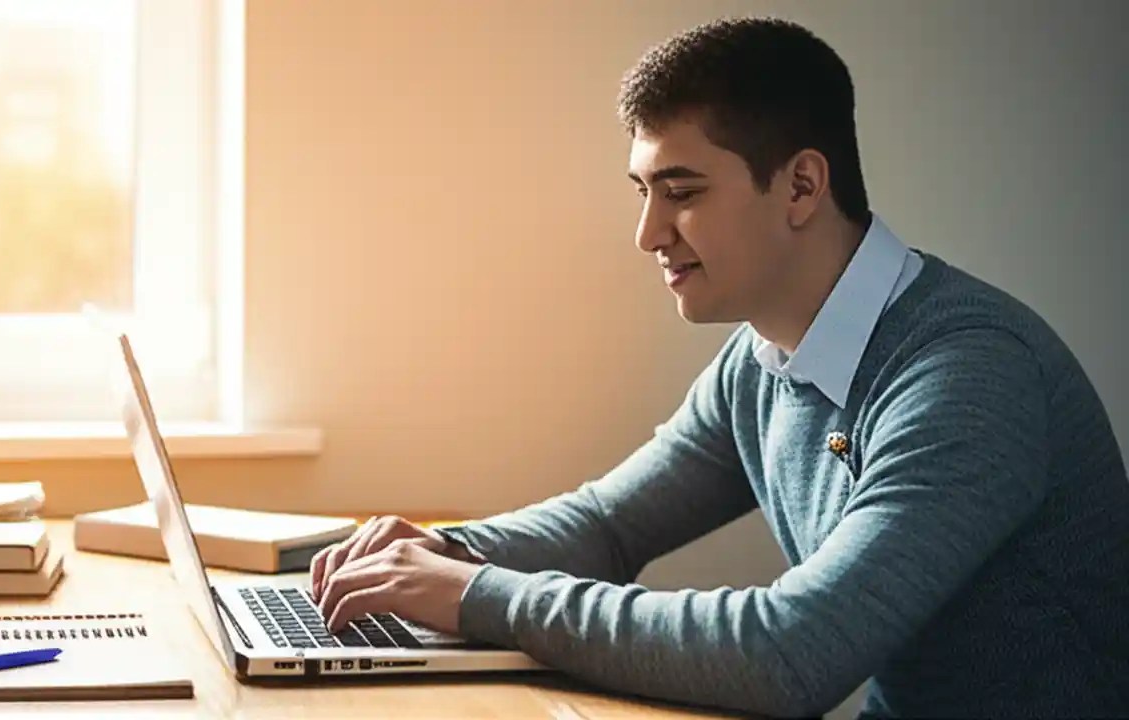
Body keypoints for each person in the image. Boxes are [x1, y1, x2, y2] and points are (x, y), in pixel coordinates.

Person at [309, 17, 1129, 718]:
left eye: (682, 190)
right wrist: (439, 552)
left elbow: (792, 652)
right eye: (643, 190)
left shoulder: (969, 377)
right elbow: (610, 525)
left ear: (802, 185)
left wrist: (475, 595)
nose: (648, 232)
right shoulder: (762, 359)